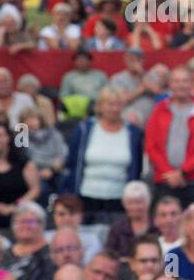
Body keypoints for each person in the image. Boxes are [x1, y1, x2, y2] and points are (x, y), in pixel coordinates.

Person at [61, 87, 144, 215]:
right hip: (86, 197)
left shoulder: (133, 132)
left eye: (118, 104)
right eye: (110, 104)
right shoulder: (84, 130)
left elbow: (137, 167)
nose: (114, 108)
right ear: (100, 106)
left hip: (120, 200)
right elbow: (72, 163)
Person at [146, 67, 194, 206]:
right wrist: (169, 172)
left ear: (191, 84)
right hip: (166, 180)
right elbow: (151, 146)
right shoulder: (159, 110)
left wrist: (182, 172)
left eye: (185, 81)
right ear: (170, 85)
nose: (180, 85)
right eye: (176, 81)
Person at [0, 117, 40, 230]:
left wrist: (16, 206)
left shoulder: (24, 163)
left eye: (0, 135)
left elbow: (35, 189)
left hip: (22, 213)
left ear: (8, 137)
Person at [104, 181, 154, 258]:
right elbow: (109, 255)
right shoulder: (117, 229)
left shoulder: (158, 225)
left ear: (148, 202)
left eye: (138, 202)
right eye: (130, 203)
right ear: (124, 205)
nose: (134, 207)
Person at [23, 107, 67, 194]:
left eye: (33, 119)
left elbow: (62, 153)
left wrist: (52, 170)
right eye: (26, 120)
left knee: (64, 182)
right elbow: (27, 158)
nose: (30, 122)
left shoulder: (55, 134)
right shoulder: (21, 138)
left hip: (56, 170)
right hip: (35, 172)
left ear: (40, 120)